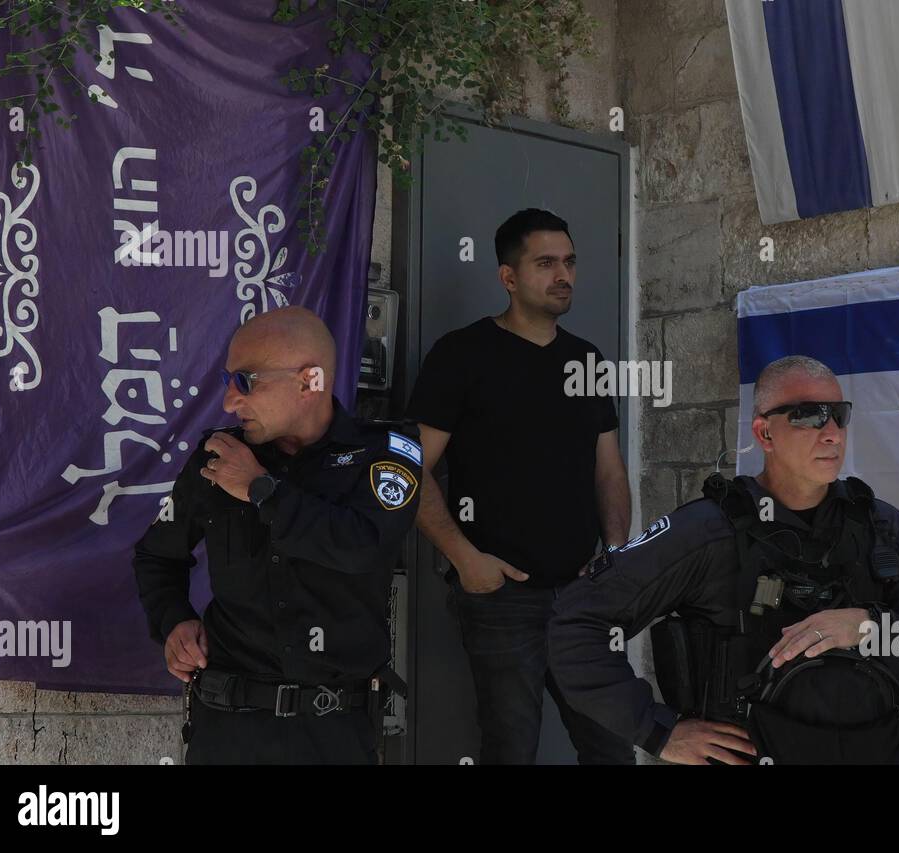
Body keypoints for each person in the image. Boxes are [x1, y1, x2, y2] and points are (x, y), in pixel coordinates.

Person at [548, 355, 899, 764]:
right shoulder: (710, 532)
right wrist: (658, 731)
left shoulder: (881, 529)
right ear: (764, 434)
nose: (832, 433)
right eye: (808, 416)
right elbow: (577, 623)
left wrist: (867, 628)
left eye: (838, 415)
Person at [133, 307, 421, 764]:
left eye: (247, 382)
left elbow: (362, 545)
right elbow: (157, 556)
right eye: (229, 381)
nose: (230, 401)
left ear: (309, 381)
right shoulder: (219, 457)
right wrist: (174, 623)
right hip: (227, 728)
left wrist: (260, 490)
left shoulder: (384, 452)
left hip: (332, 732)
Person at [406, 208, 635, 765]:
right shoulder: (461, 355)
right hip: (501, 597)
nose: (564, 275)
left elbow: (609, 469)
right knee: (510, 751)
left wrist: (616, 556)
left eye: (570, 262)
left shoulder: (586, 361)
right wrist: (465, 559)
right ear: (509, 277)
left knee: (614, 749)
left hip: (582, 596)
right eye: (546, 263)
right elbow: (408, 468)